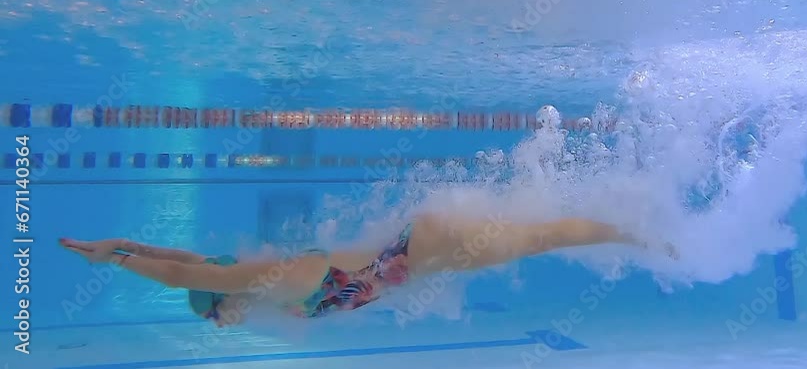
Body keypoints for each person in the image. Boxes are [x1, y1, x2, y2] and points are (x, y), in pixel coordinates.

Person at [59, 212, 677, 326]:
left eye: (213, 314)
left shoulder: (264, 281)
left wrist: (113, 258)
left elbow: (184, 276)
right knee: (535, 238)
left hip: (418, 248)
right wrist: (120, 242)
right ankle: (635, 229)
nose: (219, 324)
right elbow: (188, 263)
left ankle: (640, 231)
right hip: (421, 253)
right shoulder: (263, 291)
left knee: (538, 239)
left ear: (224, 300)